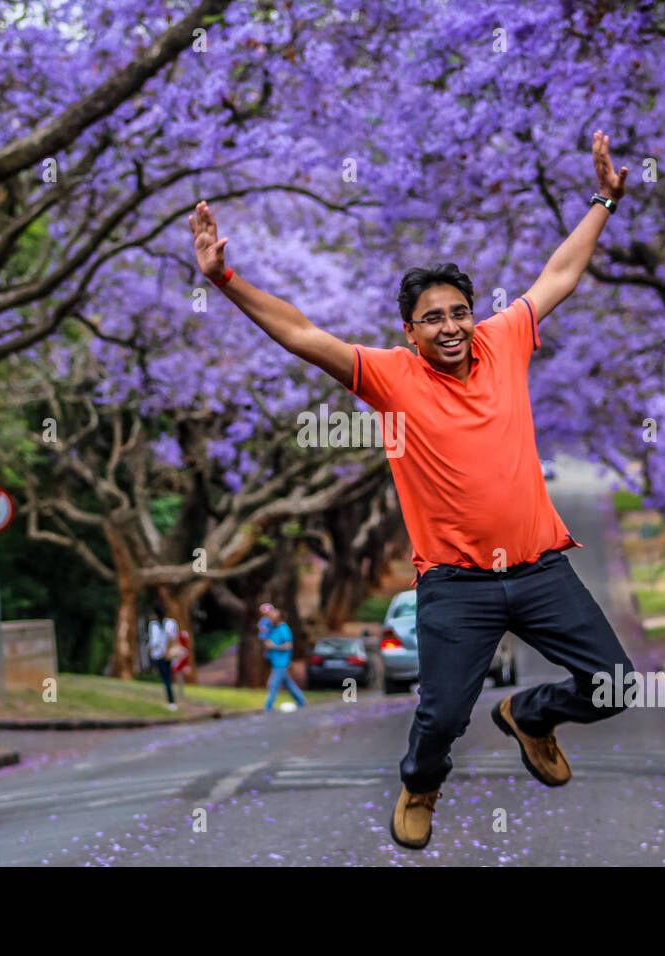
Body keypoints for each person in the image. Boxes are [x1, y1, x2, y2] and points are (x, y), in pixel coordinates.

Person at [190, 130, 635, 850]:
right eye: (434, 318)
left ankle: (533, 714)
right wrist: (224, 278)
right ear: (411, 330)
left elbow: (559, 275)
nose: (452, 326)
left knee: (617, 684)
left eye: (459, 311)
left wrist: (603, 201)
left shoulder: (505, 337)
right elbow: (302, 334)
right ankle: (421, 784)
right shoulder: (392, 376)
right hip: (457, 584)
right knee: (442, 715)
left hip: (539, 567)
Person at [260, 604, 306, 712]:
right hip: (275, 661)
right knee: (288, 684)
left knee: (273, 684)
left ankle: (268, 707)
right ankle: (301, 701)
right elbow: (264, 631)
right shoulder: (273, 629)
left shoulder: (283, 628)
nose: (270, 619)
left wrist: (273, 646)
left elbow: (288, 645)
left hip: (282, 662)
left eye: (272, 617)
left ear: (278, 618)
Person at [147, 602, 178, 710]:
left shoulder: (162, 624)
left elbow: (171, 639)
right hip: (162, 655)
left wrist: (166, 652)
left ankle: (171, 701)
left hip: (163, 655)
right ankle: (170, 700)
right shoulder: (155, 625)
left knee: (166, 679)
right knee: (167, 677)